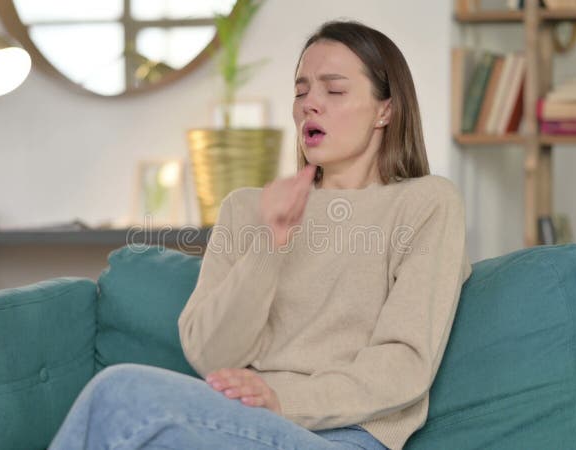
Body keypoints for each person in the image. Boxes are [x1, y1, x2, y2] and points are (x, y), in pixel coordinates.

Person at [48, 20, 471, 450]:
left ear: (386, 109)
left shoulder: (426, 203)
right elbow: (212, 355)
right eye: (301, 91)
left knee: (119, 392)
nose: (310, 105)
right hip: (239, 423)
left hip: (346, 437)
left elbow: (403, 365)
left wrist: (282, 399)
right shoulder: (248, 209)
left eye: (334, 90)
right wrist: (269, 244)